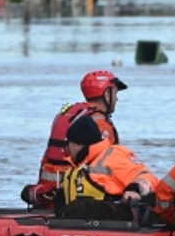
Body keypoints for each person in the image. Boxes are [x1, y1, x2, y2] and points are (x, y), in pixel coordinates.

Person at [21, 70, 127, 208]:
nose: (117, 99)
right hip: (75, 201)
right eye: (115, 93)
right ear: (107, 94)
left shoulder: (66, 114)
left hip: (47, 197)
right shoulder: (101, 124)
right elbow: (113, 166)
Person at [55, 114, 158, 222]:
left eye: (69, 143)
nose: (67, 149)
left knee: (82, 207)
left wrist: (134, 189)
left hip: (114, 220)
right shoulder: (78, 167)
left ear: (77, 144)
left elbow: (148, 177)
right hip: (81, 226)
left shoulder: (112, 156)